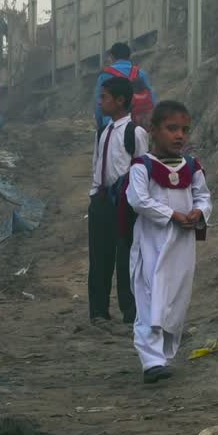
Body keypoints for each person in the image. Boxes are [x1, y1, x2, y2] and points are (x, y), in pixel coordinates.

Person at [126, 101, 212, 384]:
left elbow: (203, 196)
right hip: (152, 241)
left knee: (175, 297)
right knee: (149, 296)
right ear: (153, 131)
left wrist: (198, 212)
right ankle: (151, 361)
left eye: (184, 130)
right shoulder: (142, 167)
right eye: (172, 129)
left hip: (182, 243)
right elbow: (139, 200)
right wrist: (172, 214)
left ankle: (164, 354)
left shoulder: (191, 166)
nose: (179, 136)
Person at [89, 76, 149, 325]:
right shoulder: (103, 131)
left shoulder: (135, 132)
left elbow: (143, 168)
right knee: (99, 257)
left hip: (125, 202)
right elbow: (96, 164)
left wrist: (138, 202)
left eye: (104, 97)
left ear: (120, 100)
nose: (100, 101)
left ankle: (131, 311)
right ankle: (98, 311)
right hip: (101, 201)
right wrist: (94, 195)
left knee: (127, 257)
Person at [94, 42, 157, 132]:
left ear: (112, 56)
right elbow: (152, 98)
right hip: (138, 125)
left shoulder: (104, 76)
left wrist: (101, 126)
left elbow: (99, 103)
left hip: (112, 125)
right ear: (129, 56)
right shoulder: (140, 73)